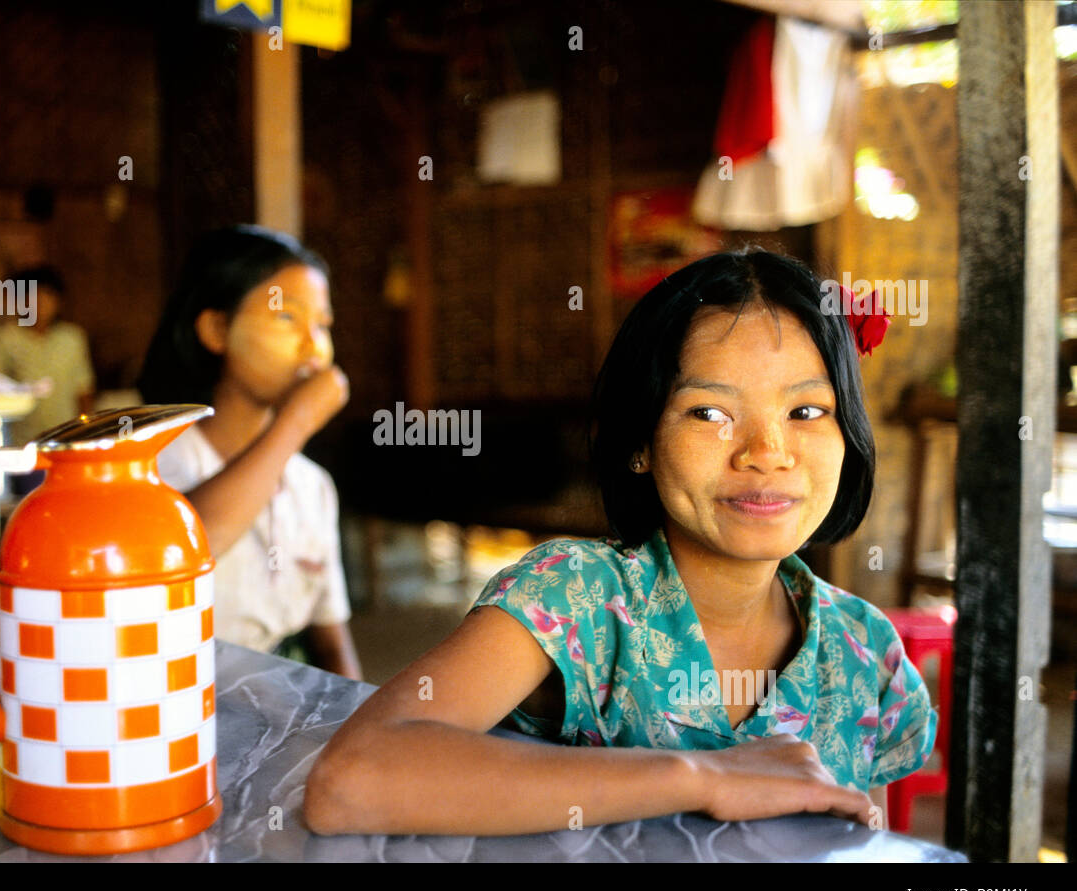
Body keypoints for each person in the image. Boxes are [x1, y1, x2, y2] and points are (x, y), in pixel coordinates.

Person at [302, 249, 936, 836]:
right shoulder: (576, 599)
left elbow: (856, 843)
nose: (766, 454)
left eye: (806, 412)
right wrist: (700, 777)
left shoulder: (866, 653)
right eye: (710, 414)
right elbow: (351, 780)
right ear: (639, 443)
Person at [138, 226, 361, 680]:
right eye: (287, 318)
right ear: (217, 329)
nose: (313, 344)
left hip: (279, 712)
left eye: (322, 325)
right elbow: (187, 546)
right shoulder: (151, 463)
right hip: (173, 705)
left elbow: (334, 647)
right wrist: (296, 422)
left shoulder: (312, 486)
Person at [0, 266, 95, 446]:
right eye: (32, 295)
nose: (40, 302)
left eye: (46, 295)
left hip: (66, 439)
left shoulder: (72, 338)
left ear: (58, 301)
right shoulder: (6, 338)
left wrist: (87, 432)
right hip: (22, 442)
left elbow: (83, 389)